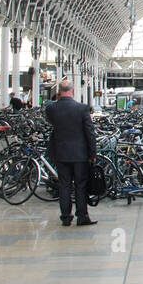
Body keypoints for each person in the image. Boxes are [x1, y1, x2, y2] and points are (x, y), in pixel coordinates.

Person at [43, 78, 98, 227]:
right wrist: (92, 153)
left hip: (61, 153)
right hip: (80, 154)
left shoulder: (51, 109)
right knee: (81, 185)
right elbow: (90, 133)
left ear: (59, 92)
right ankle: (82, 216)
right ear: (73, 91)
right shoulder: (82, 108)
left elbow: (52, 124)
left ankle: (66, 217)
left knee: (64, 185)